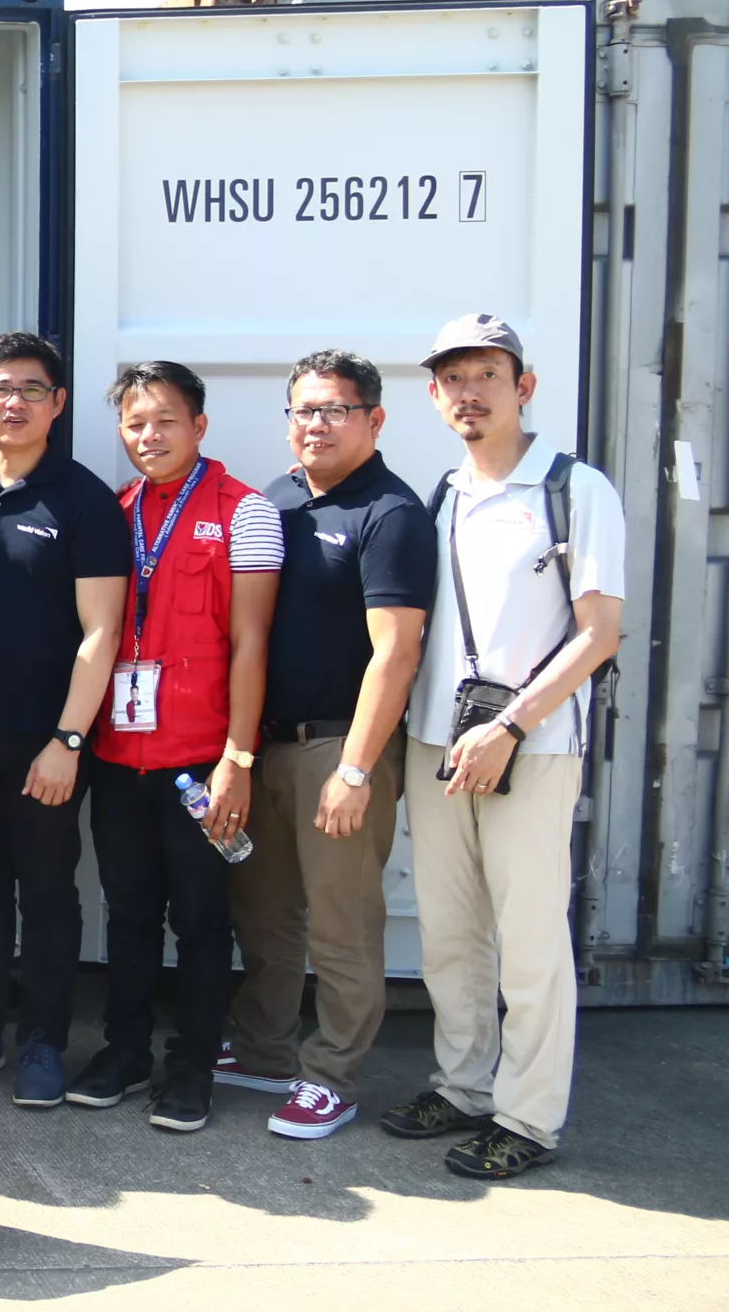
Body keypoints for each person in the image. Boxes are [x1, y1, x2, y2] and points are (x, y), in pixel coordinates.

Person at [381, 313, 623, 1179]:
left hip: (532, 745)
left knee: (528, 939)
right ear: (435, 395)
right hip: (435, 742)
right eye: (452, 377)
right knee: (449, 933)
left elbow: (599, 633)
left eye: (487, 372)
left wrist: (511, 723)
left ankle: (527, 1116)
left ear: (523, 385)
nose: (469, 390)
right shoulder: (441, 493)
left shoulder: (572, 489)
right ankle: (463, 1085)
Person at [221, 350, 434, 1139]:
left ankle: (333, 1075)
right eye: (304, 410)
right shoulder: (275, 501)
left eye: (335, 410)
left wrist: (355, 768)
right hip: (268, 749)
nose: (317, 424)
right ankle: (265, 1048)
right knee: (265, 910)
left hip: (340, 748)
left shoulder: (390, 515)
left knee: (344, 924)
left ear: (374, 420)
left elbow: (397, 651)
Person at [67, 360, 282, 1134]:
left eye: (165, 420)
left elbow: (252, 645)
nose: (148, 435)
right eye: (134, 423)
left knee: (199, 919)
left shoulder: (246, 512)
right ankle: (125, 1052)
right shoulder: (112, 509)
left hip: (202, 762)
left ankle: (190, 1068)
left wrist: (239, 757)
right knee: (127, 914)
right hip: (121, 757)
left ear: (200, 425)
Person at [0, 332, 130, 1109]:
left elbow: (101, 633)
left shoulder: (82, 500)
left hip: (48, 737)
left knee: (47, 889)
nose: (14, 403)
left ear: (59, 403)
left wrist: (68, 740)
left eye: (33, 390)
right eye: (0, 388)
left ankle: (44, 1039)